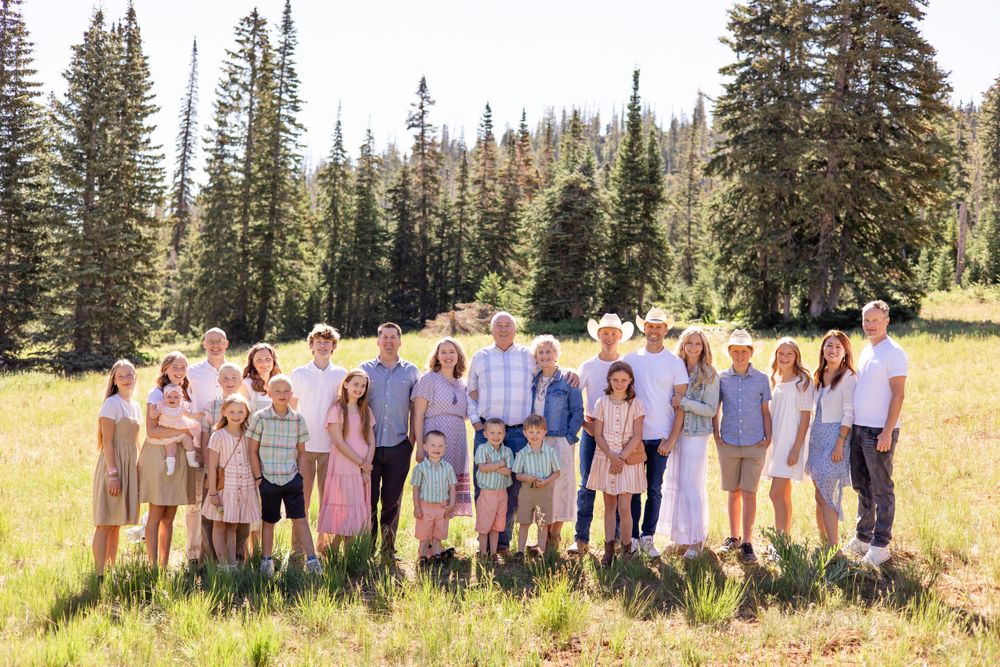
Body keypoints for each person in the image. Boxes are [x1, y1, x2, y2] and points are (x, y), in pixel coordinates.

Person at [468, 312, 579, 555]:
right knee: (484, 486)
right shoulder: (481, 356)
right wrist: (477, 422)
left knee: (514, 489)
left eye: (508, 325)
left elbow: (550, 365)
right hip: (487, 431)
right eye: (499, 325)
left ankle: (504, 543)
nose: (504, 329)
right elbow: (471, 391)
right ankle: (484, 541)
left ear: (515, 330)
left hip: (519, 432)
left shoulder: (527, 356)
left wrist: (570, 371)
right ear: (492, 329)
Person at [622, 307, 688, 558]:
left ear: (665, 330)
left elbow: (680, 403)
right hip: (635, 436)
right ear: (644, 328)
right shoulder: (631, 359)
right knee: (634, 488)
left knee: (654, 488)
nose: (653, 331)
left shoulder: (674, 362)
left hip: (660, 436)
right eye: (650, 326)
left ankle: (648, 536)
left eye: (658, 327)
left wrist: (671, 439)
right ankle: (634, 538)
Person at [849, 300, 908, 567]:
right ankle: (863, 537)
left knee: (882, 488)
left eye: (875, 320)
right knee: (862, 486)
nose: (870, 325)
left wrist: (887, 431)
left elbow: (898, 395)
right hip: (859, 428)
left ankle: (881, 544)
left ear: (886, 321)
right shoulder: (865, 350)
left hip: (879, 432)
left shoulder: (893, 352)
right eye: (866, 320)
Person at [246, 374, 323, 577]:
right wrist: (258, 478)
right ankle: (266, 561)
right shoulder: (260, 417)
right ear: (269, 393)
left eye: (286, 391)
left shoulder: (298, 419)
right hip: (268, 479)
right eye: (277, 391)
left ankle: (312, 561)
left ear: (291, 394)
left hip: (291, 478)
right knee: (269, 521)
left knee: (300, 519)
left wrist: (299, 476)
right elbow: (252, 450)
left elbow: (302, 452)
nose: (282, 394)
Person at [570, 313, 632, 556]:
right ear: (598, 335)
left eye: (613, 334)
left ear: (620, 337)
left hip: (621, 435)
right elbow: (575, 401)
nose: (609, 337)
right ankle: (581, 538)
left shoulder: (627, 365)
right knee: (587, 484)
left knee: (618, 486)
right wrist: (588, 426)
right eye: (605, 333)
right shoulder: (587, 366)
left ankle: (615, 538)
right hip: (593, 432)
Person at [360, 322, 420, 561]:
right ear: (378, 341)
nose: (389, 341)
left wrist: (412, 443)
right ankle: (367, 548)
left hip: (398, 446)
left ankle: (388, 548)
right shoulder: (364, 370)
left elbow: (417, 409)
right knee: (368, 500)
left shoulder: (411, 371)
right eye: (384, 337)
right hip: (368, 449)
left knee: (392, 500)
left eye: (393, 337)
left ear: (400, 341)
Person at [658, 327, 719, 559]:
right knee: (676, 482)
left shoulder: (709, 374)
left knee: (691, 485)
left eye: (698, 344)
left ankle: (697, 540)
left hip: (696, 434)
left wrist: (684, 402)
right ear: (682, 346)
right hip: (675, 431)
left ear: (704, 348)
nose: (693, 348)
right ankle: (680, 538)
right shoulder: (676, 369)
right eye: (689, 343)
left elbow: (710, 409)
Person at [713, 330, 772, 564]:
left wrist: (768, 437)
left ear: (751, 353)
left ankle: (747, 542)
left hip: (754, 442)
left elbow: (765, 410)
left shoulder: (761, 378)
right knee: (733, 491)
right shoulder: (721, 378)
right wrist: (716, 434)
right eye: (735, 351)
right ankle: (733, 537)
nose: (739, 355)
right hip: (728, 442)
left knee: (749, 492)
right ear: (729, 352)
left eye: (744, 351)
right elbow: (715, 408)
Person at [290, 324, 347, 553]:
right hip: (303, 446)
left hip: (331, 446)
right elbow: (292, 410)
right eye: (319, 342)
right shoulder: (299, 373)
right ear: (311, 346)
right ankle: (298, 549)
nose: (323, 346)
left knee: (327, 501)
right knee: (300, 500)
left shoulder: (341, 374)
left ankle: (324, 549)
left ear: (333, 346)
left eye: (327, 343)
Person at [138, 351, 197, 567]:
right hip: (159, 453)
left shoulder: (184, 393)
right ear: (165, 369)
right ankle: (152, 565)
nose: (180, 372)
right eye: (175, 367)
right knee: (156, 511)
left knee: (170, 514)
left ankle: (164, 565)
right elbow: (152, 430)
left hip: (179, 454)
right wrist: (181, 434)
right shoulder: (156, 394)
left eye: (183, 367)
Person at [587, 361, 647, 566]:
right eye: (615, 380)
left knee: (624, 506)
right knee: (609, 506)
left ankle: (628, 549)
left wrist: (620, 458)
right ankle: (609, 550)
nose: (619, 383)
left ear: (630, 380)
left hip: (628, 460)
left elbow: (638, 435)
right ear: (609, 381)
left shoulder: (636, 404)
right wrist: (612, 458)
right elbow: (597, 434)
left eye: (623, 380)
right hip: (606, 458)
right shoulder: (602, 403)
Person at [529, 335, 583, 555]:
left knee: (560, 488)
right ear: (536, 356)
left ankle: (554, 537)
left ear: (556, 354)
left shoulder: (567, 381)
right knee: (542, 488)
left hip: (560, 439)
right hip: (537, 441)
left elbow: (578, 411)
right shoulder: (534, 380)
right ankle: (542, 538)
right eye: (540, 352)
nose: (544, 356)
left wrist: (569, 438)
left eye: (548, 352)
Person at [806, 330, 856, 549]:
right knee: (819, 495)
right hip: (816, 439)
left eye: (838, 346)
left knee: (828, 497)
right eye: (829, 345)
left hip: (836, 439)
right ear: (823, 350)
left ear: (845, 352)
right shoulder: (818, 374)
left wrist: (840, 443)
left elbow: (849, 413)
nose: (833, 350)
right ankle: (823, 540)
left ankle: (834, 548)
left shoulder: (848, 377)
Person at [317, 370, 376, 555]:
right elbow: (339, 442)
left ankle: (347, 557)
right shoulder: (337, 410)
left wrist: (367, 467)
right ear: (346, 384)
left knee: (355, 508)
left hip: (362, 467)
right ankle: (334, 552)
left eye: (363, 385)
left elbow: (372, 441)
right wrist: (361, 463)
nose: (359, 388)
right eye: (355, 384)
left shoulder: (366, 411)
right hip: (344, 465)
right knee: (344, 509)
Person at [185, 327, 229, 565]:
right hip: (196, 443)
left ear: (226, 344)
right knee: (195, 503)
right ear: (204, 344)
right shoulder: (192, 372)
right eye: (211, 341)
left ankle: (221, 556)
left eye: (219, 341)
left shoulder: (234, 371)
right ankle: (195, 556)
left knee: (221, 502)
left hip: (227, 449)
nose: (215, 345)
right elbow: (182, 404)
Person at [413, 337, 472, 518]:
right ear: (437, 356)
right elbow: (418, 415)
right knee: (433, 485)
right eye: (443, 352)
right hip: (434, 439)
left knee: (450, 486)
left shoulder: (462, 383)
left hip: (456, 441)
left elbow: (468, 414)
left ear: (458, 355)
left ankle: (440, 537)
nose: (448, 356)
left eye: (452, 352)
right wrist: (420, 447)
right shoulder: (429, 379)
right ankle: (428, 541)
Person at [93, 360, 141, 580]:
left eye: (130, 374)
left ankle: (112, 570)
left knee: (116, 524)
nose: (126, 378)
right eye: (121, 375)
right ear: (114, 380)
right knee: (105, 523)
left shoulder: (135, 404)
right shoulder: (111, 404)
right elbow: (108, 442)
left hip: (129, 465)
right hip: (113, 466)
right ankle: (99, 573)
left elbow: (136, 440)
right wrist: (113, 473)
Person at [764, 337, 814, 542]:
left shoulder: (802, 381)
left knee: (775, 493)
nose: (784, 357)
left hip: (790, 443)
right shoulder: (774, 380)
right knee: (784, 494)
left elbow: (805, 418)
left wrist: (796, 448)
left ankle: (780, 540)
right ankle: (785, 540)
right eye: (781, 353)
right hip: (776, 442)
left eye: (789, 354)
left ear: (796, 357)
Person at [199, 362, 250, 562]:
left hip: (241, 475)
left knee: (239, 520)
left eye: (234, 378)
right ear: (219, 381)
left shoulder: (245, 407)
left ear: (240, 381)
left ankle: (237, 559)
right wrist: (208, 468)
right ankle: (211, 562)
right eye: (225, 378)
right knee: (212, 518)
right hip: (216, 472)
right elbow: (205, 438)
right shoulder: (211, 406)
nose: (229, 382)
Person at [203, 395, 259, 568]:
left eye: (240, 411)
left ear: (246, 413)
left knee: (233, 526)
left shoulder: (249, 435)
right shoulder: (218, 435)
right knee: (219, 525)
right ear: (224, 412)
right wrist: (212, 492)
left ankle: (232, 563)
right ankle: (222, 564)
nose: (236, 415)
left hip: (243, 487)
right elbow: (212, 467)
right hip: (224, 488)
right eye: (232, 411)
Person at [512, 414, 561, 556]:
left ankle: (541, 550)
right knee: (524, 521)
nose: (535, 435)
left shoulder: (551, 452)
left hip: (544, 490)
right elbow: (517, 474)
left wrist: (546, 480)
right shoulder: (522, 454)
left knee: (542, 523)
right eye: (531, 432)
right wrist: (526, 477)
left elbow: (557, 472)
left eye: (538, 432)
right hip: (527, 491)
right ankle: (520, 550)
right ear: (525, 433)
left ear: (544, 432)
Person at [411, 431, 457, 564]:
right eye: (433, 445)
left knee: (438, 532)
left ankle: (437, 555)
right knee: (424, 533)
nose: (437, 449)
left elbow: (452, 487)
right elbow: (416, 489)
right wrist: (416, 507)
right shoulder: (420, 468)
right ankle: (423, 556)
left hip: (442, 506)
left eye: (441, 446)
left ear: (445, 447)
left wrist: (452, 504)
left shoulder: (448, 467)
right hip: (425, 507)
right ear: (425, 447)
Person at [473, 419, 514, 559]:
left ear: (504, 434)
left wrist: (493, 466)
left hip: (502, 494)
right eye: (492, 433)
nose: (496, 436)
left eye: (499, 433)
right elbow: (482, 467)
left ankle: (493, 552)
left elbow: (509, 471)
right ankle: (483, 552)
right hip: (487, 494)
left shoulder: (507, 451)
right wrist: (499, 465)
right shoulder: (482, 449)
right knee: (484, 524)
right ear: (485, 434)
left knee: (497, 525)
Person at [144, 384, 201, 476]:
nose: (172, 399)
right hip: (168, 432)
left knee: (189, 442)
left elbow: (189, 415)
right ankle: (170, 468)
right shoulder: (162, 407)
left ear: (180, 398)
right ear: (164, 397)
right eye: (169, 397)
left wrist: (197, 415)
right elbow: (153, 416)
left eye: (175, 397)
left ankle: (191, 461)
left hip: (179, 427)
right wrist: (152, 411)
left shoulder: (181, 407)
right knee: (171, 449)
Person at [240, 342, 280, 411]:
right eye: (259, 360)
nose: (264, 363)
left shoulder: (280, 382)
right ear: (253, 363)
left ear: (274, 361)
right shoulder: (246, 384)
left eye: (268, 359)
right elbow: (239, 412)